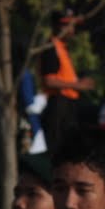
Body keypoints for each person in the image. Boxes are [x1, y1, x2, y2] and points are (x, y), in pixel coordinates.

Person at [39, 10, 94, 152]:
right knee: (58, 150)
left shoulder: (62, 47)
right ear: (56, 26)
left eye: (72, 25)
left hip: (67, 106)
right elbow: (49, 81)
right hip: (58, 105)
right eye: (66, 25)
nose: (71, 29)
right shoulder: (51, 47)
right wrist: (77, 85)